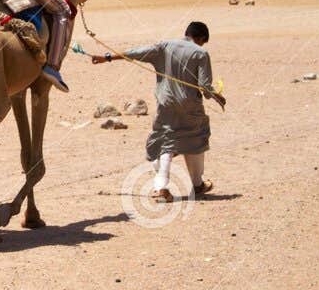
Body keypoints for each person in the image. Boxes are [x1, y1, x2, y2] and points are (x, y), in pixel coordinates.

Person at [93, 21, 225, 202]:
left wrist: (107, 57)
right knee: (196, 137)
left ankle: (162, 187)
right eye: (203, 41)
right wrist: (216, 96)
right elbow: (204, 87)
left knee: (166, 140)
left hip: (166, 102)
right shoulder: (200, 53)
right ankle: (195, 183)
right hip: (190, 106)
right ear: (201, 38)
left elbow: (136, 52)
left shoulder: (165, 46)